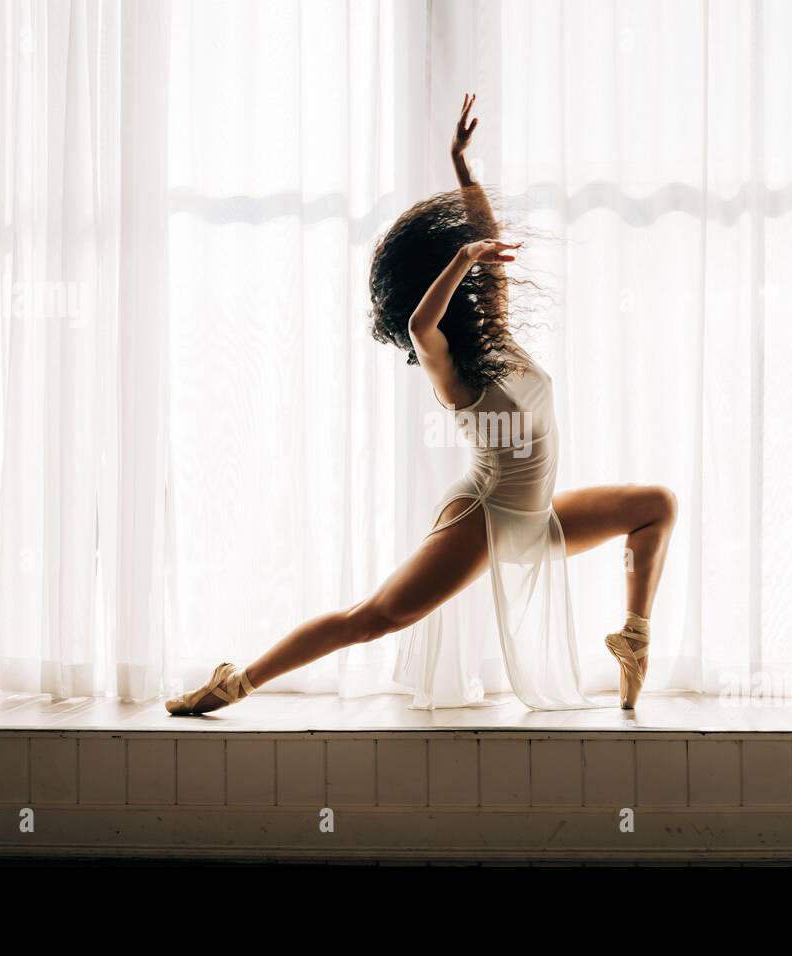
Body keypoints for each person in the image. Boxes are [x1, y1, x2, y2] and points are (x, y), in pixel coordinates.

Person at [166, 94, 676, 716]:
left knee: (655, 507)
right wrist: (460, 258)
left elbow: (486, 238)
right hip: (486, 516)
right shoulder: (453, 374)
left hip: (535, 516)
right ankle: (235, 681)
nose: (486, 285)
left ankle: (633, 640)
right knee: (375, 617)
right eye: (469, 276)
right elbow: (418, 324)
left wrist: (463, 170)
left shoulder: (499, 341)